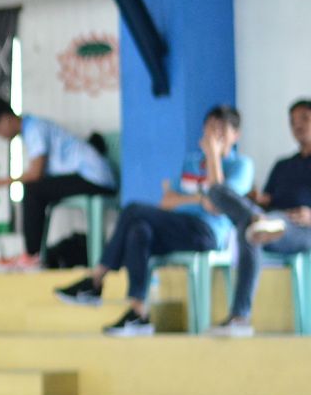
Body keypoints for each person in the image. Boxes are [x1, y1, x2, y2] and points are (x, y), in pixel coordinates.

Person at [56, 105, 252, 336]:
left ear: (235, 135)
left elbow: (217, 203)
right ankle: (139, 313)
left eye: (220, 130)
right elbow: (166, 202)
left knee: (133, 210)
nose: (213, 135)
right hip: (178, 225)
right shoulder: (191, 162)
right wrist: (201, 198)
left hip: (208, 232)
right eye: (209, 128)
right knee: (139, 230)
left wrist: (213, 158)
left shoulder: (241, 166)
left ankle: (96, 278)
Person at [197, 99, 311, 335]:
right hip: (272, 221)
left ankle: (239, 316)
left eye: (305, 119)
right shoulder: (283, 166)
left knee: (250, 227)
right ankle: (240, 320)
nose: (298, 126)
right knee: (219, 194)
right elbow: (267, 199)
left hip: (301, 228)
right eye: (293, 122)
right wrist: (255, 200)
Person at [0, 99, 117, 269]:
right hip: (87, 177)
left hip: (95, 178)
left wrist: (0, 182)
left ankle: (31, 255)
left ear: (5, 118)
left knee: (33, 190)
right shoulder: (32, 127)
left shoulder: (34, 129)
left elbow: (35, 174)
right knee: (37, 189)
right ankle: (33, 254)